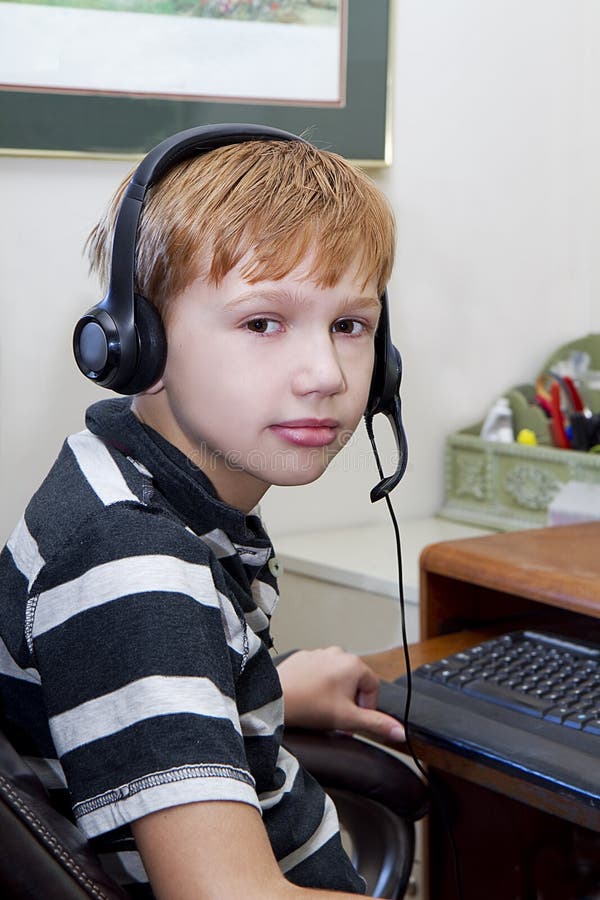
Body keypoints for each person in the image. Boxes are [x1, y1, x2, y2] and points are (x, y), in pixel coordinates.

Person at [0, 126, 405, 898]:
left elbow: (127, 673)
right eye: (263, 323)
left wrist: (267, 686)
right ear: (136, 345)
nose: (324, 373)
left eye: (349, 325)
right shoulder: (130, 560)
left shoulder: (130, 492)